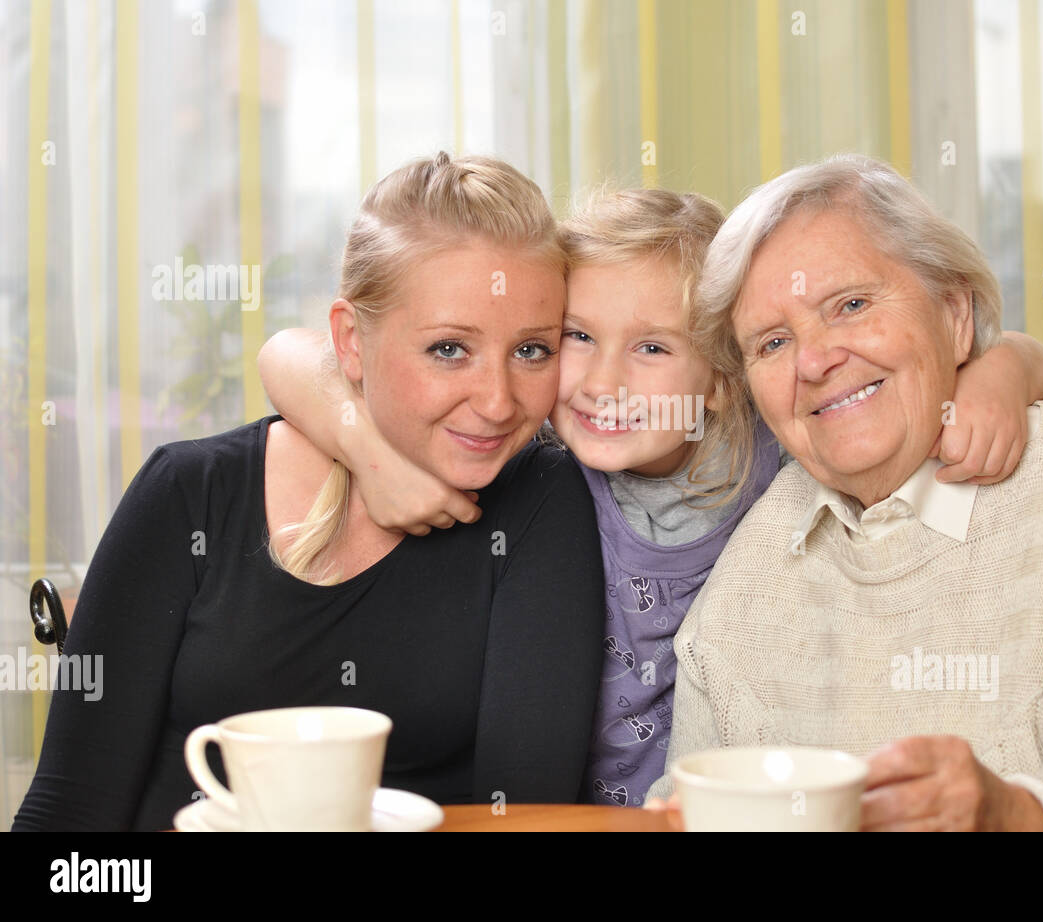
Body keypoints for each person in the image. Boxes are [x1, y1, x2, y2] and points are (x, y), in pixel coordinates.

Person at [256, 185, 1043, 809]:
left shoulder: (780, 452)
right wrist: (368, 450)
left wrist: (1002, 374)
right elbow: (288, 355)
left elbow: (997, 350)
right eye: (576, 338)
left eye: (650, 347)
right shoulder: (532, 453)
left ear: (722, 373)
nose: (603, 382)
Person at [644, 153, 1043, 831]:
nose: (814, 361)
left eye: (851, 305)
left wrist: (1014, 818)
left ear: (955, 316)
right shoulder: (746, 574)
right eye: (772, 343)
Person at [12, 153, 605, 831]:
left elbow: (524, 822)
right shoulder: (189, 493)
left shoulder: (539, 502)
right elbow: (66, 817)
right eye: (449, 349)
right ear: (350, 341)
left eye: (532, 350)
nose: (499, 403)